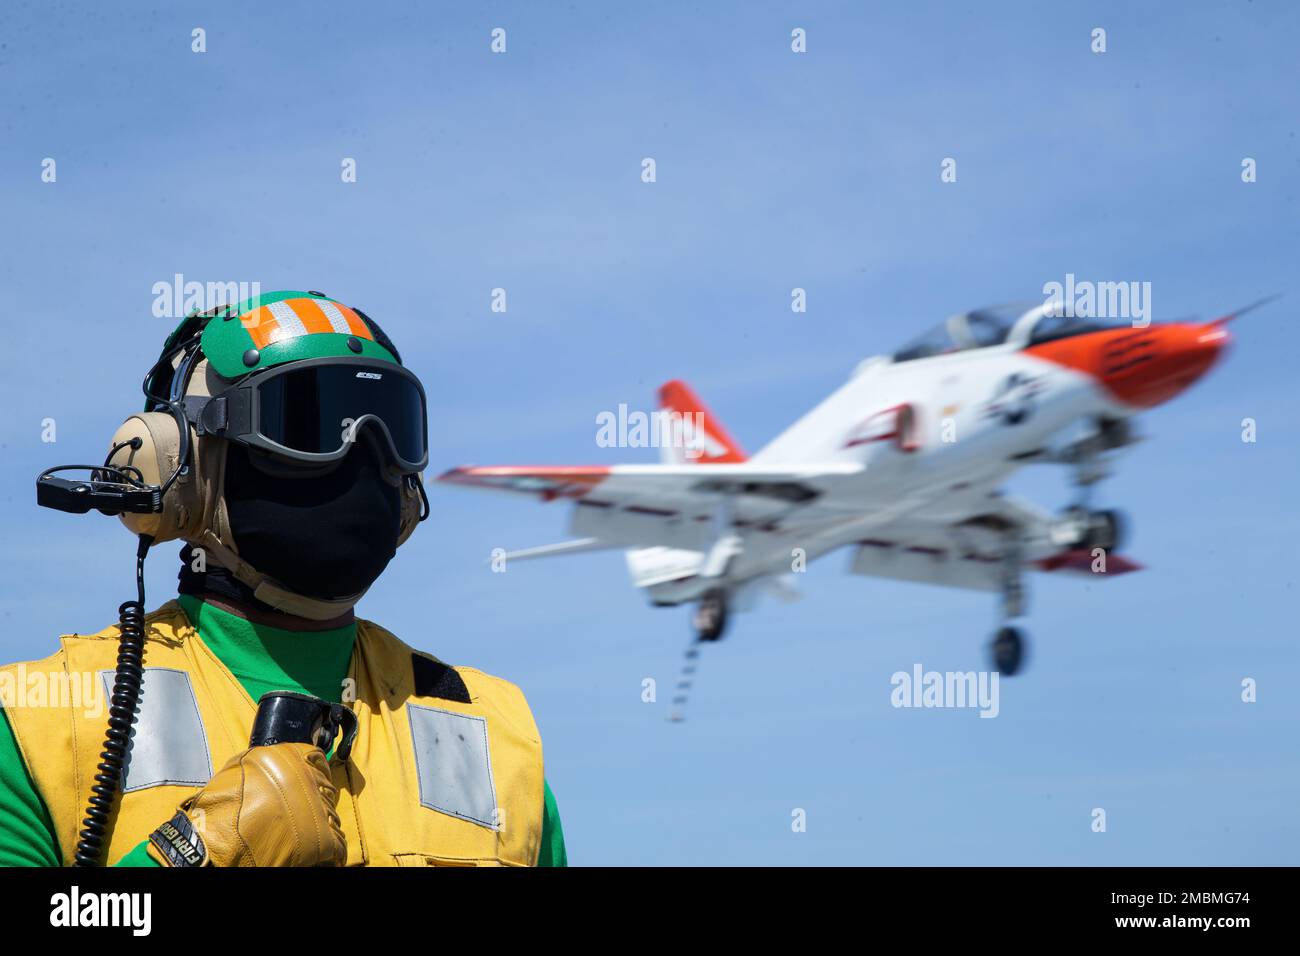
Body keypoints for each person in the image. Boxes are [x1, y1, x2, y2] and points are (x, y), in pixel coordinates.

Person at [0, 290, 567, 867]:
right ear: (184, 464)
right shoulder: (40, 720)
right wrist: (193, 856)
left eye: (388, 426)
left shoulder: (497, 736)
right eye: (307, 423)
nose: (360, 454)